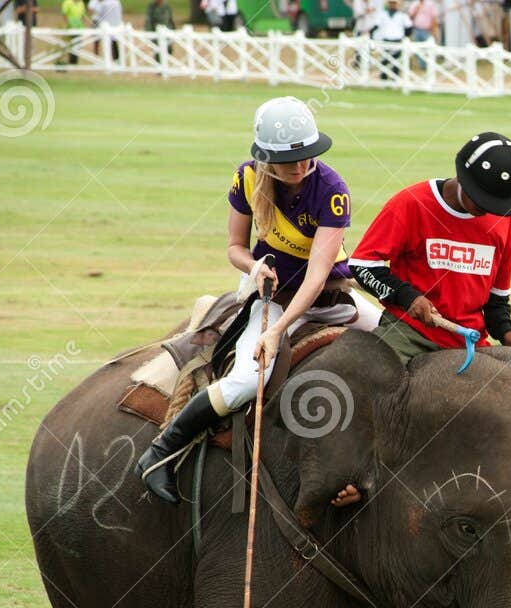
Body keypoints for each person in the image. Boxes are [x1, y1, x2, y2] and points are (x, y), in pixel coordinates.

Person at [135, 98, 381, 505]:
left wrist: (280, 332)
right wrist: (253, 267)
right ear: (266, 159)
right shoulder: (247, 180)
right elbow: (235, 247)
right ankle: (159, 453)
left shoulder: (333, 190)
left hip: (327, 294)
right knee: (251, 379)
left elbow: (318, 274)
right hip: (271, 294)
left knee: (397, 344)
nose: (301, 167)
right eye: (290, 161)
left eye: (307, 157)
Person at [349, 132, 511, 367]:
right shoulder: (411, 203)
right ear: (463, 179)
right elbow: (363, 266)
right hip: (409, 333)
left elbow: (497, 298)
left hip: (470, 341)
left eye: (495, 205)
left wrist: (506, 331)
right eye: (482, 201)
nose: (488, 211)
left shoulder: (504, 221)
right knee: (369, 374)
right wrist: (409, 297)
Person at [370, 0, 414, 79]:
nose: (392, 5)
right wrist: (371, 36)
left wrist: (406, 36)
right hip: (386, 40)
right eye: (391, 3)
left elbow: (409, 27)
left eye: (394, 3)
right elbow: (375, 26)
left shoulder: (402, 15)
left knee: (396, 62)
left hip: (397, 40)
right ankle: (384, 80)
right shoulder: (382, 14)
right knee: (384, 61)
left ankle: (395, 80)